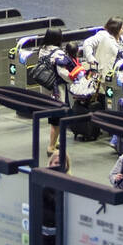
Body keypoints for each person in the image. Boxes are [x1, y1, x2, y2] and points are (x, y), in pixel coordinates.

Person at [33, 27, 76, 155]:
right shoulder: (58, 53)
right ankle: (51, 147)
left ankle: (55, 141)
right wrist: (74, 79)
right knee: (57, 119)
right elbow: (63, 73)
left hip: (46, 87)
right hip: (57, 90)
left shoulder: (42, 50)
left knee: (53, 117)